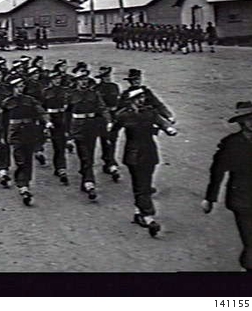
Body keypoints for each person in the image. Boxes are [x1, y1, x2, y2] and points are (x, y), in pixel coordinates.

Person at [112, 88, 177, 237]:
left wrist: (169, 129)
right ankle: (148, 217)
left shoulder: (150, 112)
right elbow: (113, 131)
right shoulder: (124, 115)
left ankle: (138, 211)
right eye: (138, 98)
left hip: (150, 153)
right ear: (131, 101)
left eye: (142, 97)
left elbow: (161, 122)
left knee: (144, 183)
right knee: (141, 185)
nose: (141, 100)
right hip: (133, 155)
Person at [202, 101, 252, 272]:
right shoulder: (231, 144)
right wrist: (210, 198)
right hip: (242, 200)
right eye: (247, 119)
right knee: (251, 240)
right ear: (240, 123)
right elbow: (217, 172)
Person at [1, 77, 52, 206]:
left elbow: (40, 111)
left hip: (29, 132)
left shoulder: (29, 100)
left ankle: (26, 183)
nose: (20, 89)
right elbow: (3, 121)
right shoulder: (7, 102)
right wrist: (3, 135)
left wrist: (47, 122)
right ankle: (22, 185)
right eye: (18, 86)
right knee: (20, 159)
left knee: (28, 159)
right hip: (15, 133)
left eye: (22, 86)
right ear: (13, 88)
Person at [67, 70, 111, 200]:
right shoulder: (71, 95)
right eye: (81, 80)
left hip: (91, 127)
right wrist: (68, 134)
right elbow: (67, 115)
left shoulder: (94, 94)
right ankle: (89, 182)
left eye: (85, 79)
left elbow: (102, 108)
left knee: (89, 155)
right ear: (76, 82)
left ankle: (86, 179)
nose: (84, 82)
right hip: (78, 127)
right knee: (84, 154)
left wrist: (108, 121)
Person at [94, 66, 122, 182]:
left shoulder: (115, 87)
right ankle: (109, 161)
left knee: (114, 139)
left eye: (109, 76)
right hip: (102, 118)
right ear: (101, 78)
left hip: (114, 114)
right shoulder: (97, 89)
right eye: (105, 76)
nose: (108, 78)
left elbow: (118, 101)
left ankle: (110, 160)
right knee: (106, 139)